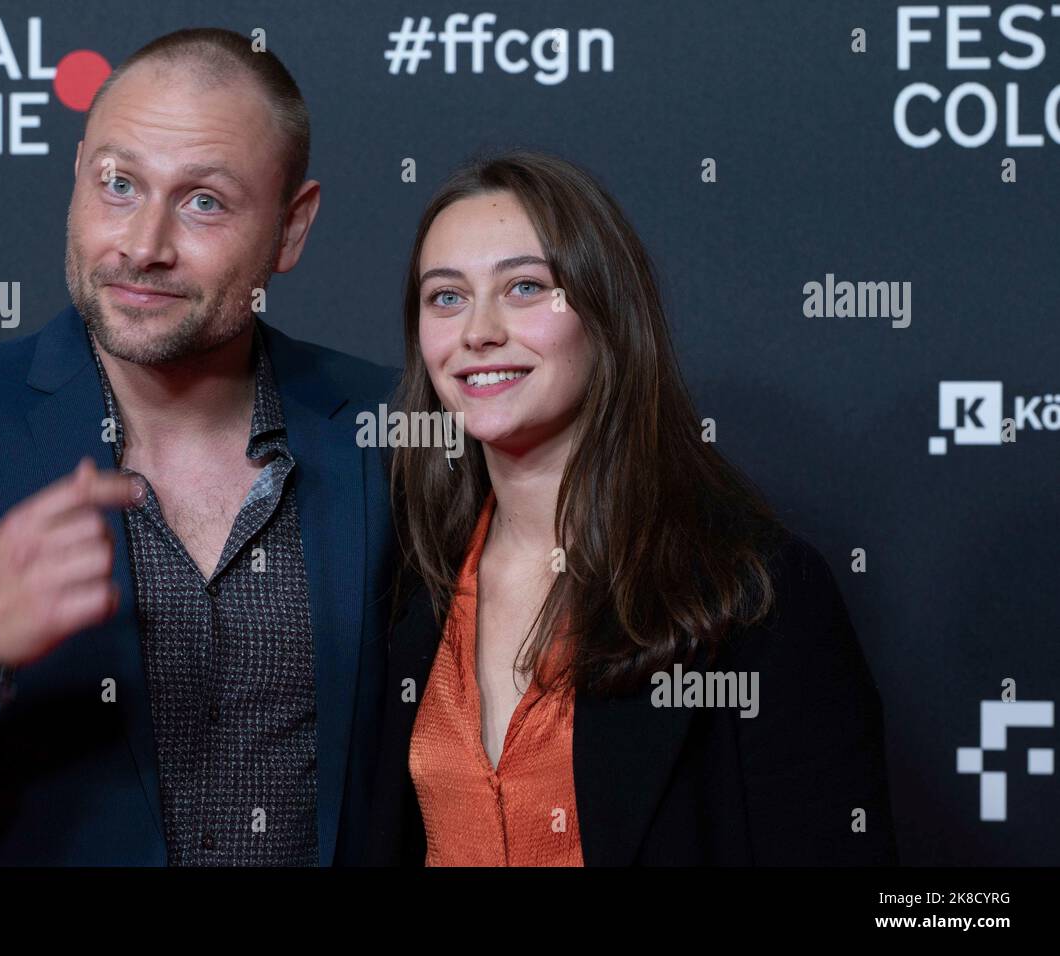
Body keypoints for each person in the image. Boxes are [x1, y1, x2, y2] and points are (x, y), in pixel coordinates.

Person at [0, 28, 397, 867]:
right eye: (119, 184)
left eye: (204, 200)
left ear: (291, 227)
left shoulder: (393, 429)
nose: (142, 244)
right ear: (78, 180)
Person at [365, 150, 899, 866]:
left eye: (525, 287)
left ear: (605, 312)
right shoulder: (406, 582)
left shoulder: (753, 596)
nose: (478, 331)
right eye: (447, 297)